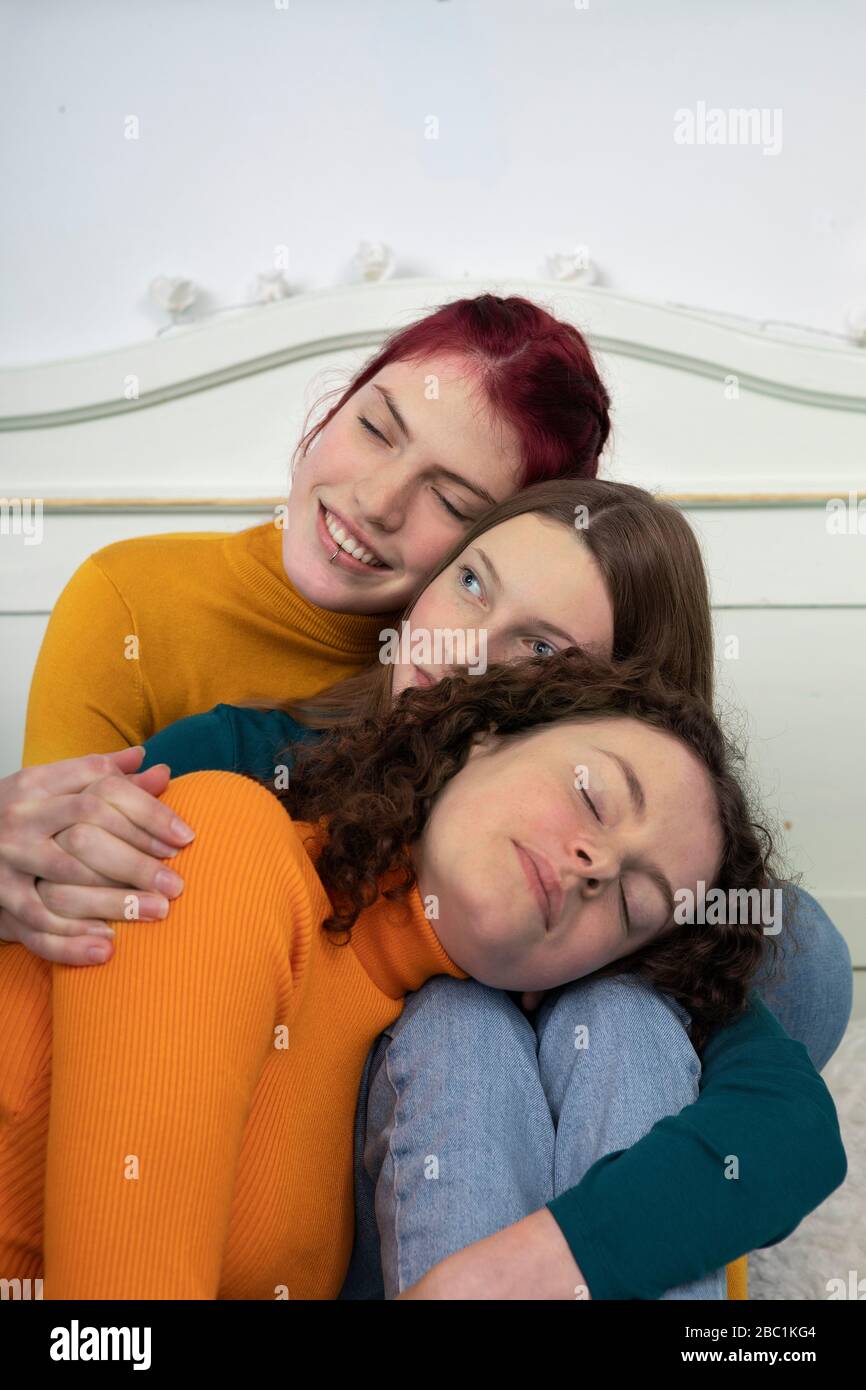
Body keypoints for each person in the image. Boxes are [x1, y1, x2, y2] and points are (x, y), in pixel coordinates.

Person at [3, 480, 851, 1298]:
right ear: (497, 732)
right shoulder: (227, 810)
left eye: (543, 650)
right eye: (473, 582)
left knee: (763, 960)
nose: (466, 650)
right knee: (464, 1032)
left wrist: (530, 1269)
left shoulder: (577, 968)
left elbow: (787, 1129)